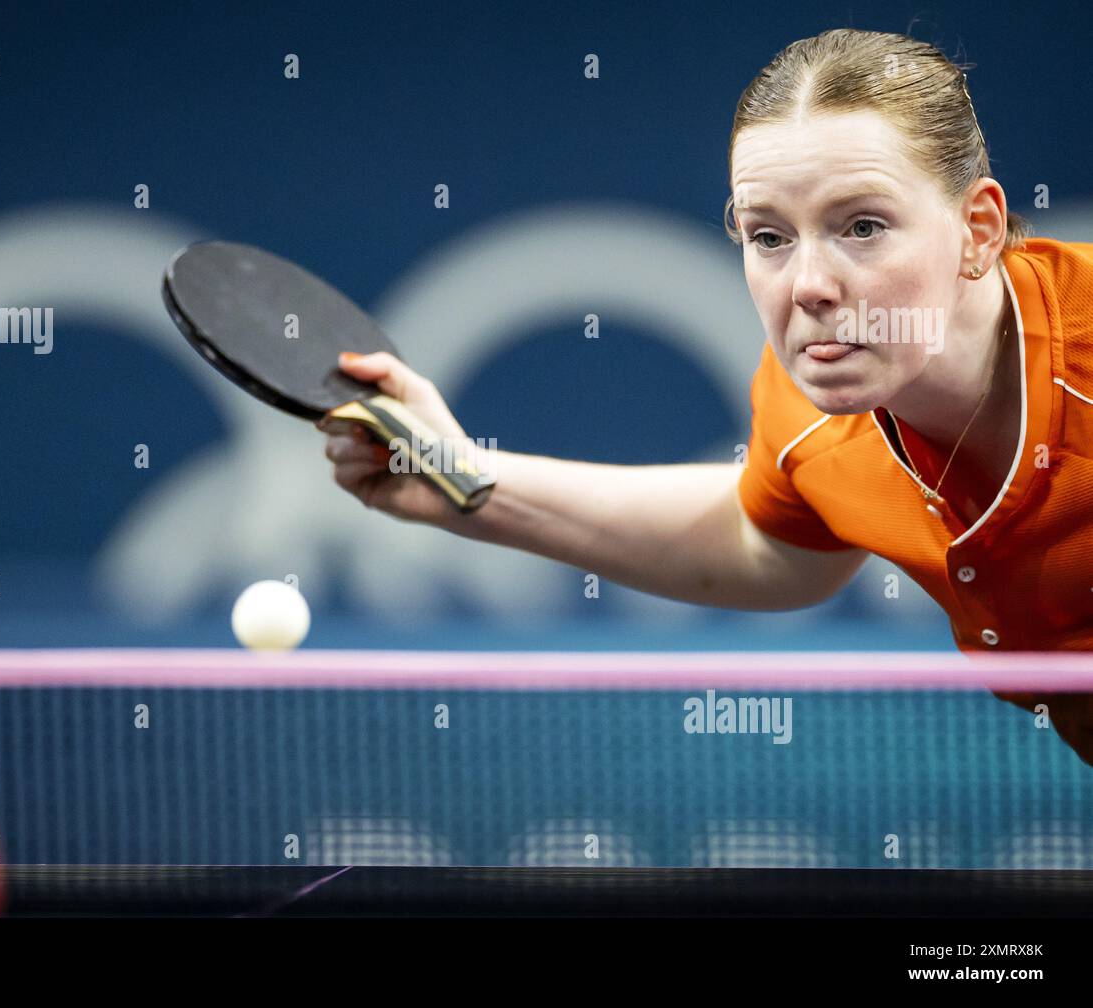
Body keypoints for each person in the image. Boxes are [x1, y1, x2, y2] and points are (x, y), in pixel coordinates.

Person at [317, 29, 1093, 763]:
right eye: (768, 236)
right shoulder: (809, 409)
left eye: (862, 225)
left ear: (979, 229)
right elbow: (772, 551)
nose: (811, 287)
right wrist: (461, 481)